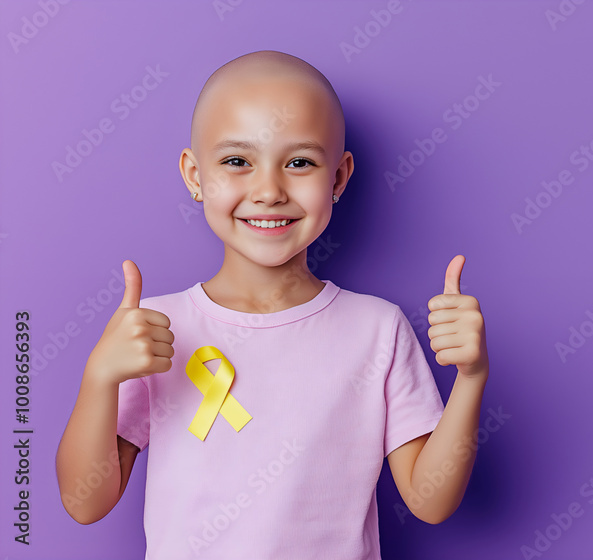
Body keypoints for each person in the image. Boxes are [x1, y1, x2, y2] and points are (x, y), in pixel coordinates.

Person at [55, 50, 490, 559]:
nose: (268, 191)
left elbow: (429, 500)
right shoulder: (155, 328)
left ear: (339, 178)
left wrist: (472, 377)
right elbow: (85, 503)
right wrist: (99, 378)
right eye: (237, 161)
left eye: (300, 162)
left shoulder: (378, 329)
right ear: (195, 176)